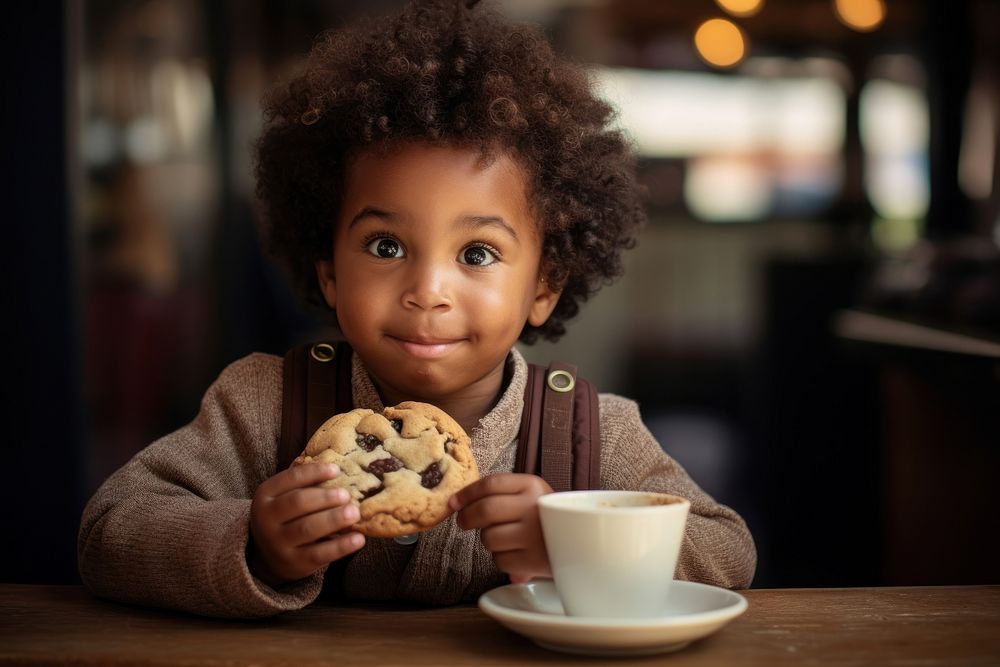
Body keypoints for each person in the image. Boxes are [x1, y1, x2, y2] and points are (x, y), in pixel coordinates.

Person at [78, 0, 756, 618]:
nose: (427, 289)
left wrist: (579, 545)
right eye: (386, 245)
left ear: (543, 286)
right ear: (328, 271)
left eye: (478, 253)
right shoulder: (262, 405)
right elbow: (111, 529)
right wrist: (252, 542)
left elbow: (727, 549)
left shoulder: (590, 434)